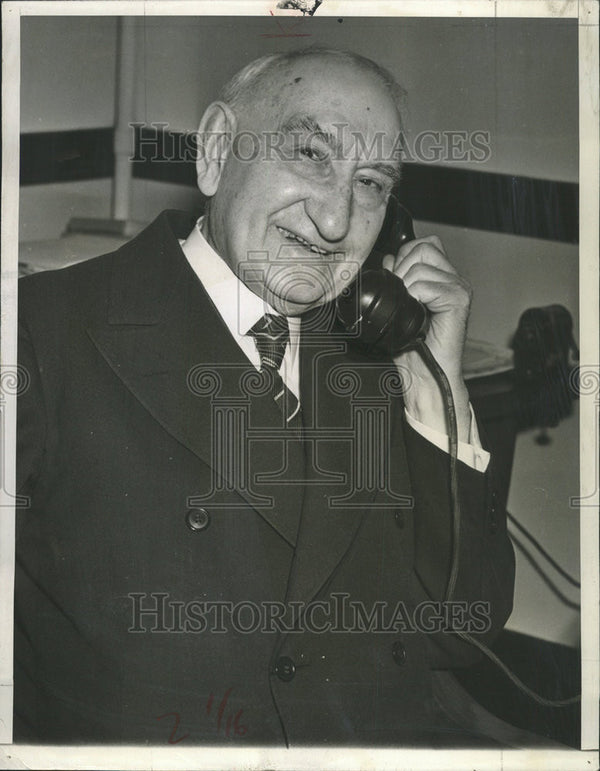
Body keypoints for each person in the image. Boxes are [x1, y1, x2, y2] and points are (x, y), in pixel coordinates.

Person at [15, 47, 515, 746]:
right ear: (217, 151)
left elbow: (464, 632)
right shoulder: (42, 333)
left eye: (370, 182)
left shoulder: (374, 358)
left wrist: (438, 389)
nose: (337, 219)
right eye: (312, 154)